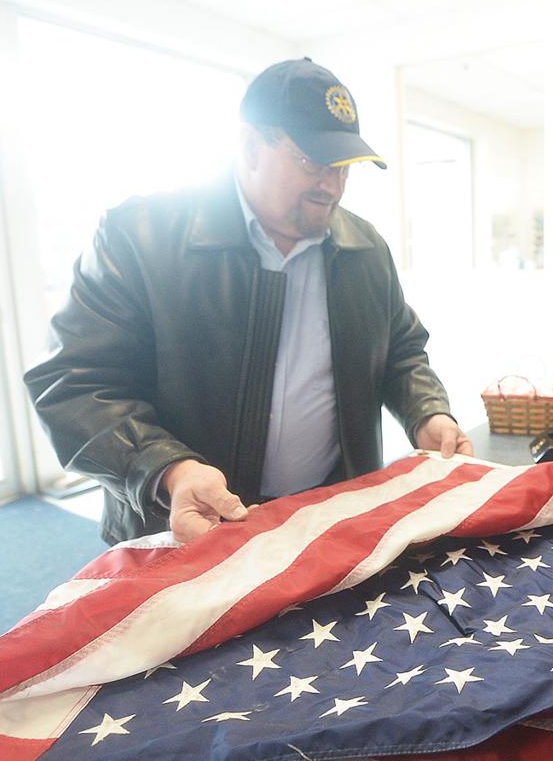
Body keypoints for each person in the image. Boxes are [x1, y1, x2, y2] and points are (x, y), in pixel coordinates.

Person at [25, 58, 472, 546]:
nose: (332, 184)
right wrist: (168, 468)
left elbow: (401, 351)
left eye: (343, 167)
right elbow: (72, 384)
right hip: (193, 524)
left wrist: (428, 413)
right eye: (312, 161)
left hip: (328, 515)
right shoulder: (138, 238)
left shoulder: (365, 248)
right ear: (250, 146)